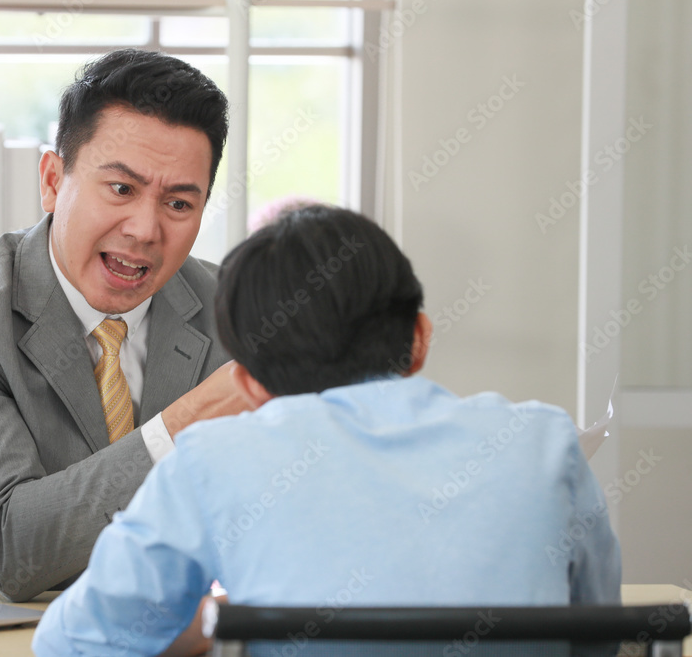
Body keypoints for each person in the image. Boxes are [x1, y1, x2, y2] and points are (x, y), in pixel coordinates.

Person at [32, 204, 622, 656]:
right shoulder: (546, 443)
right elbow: (599, 633)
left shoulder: (213, 460)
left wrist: (224, 618)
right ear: (418, 338)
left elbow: (75, 641)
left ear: (250, 384)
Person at [0, 49, 250, 601]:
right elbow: (10, 548)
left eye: (179, 204)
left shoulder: (234, 307)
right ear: (52, 179)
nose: (144, 229)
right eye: (121, 189)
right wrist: (188, 421)